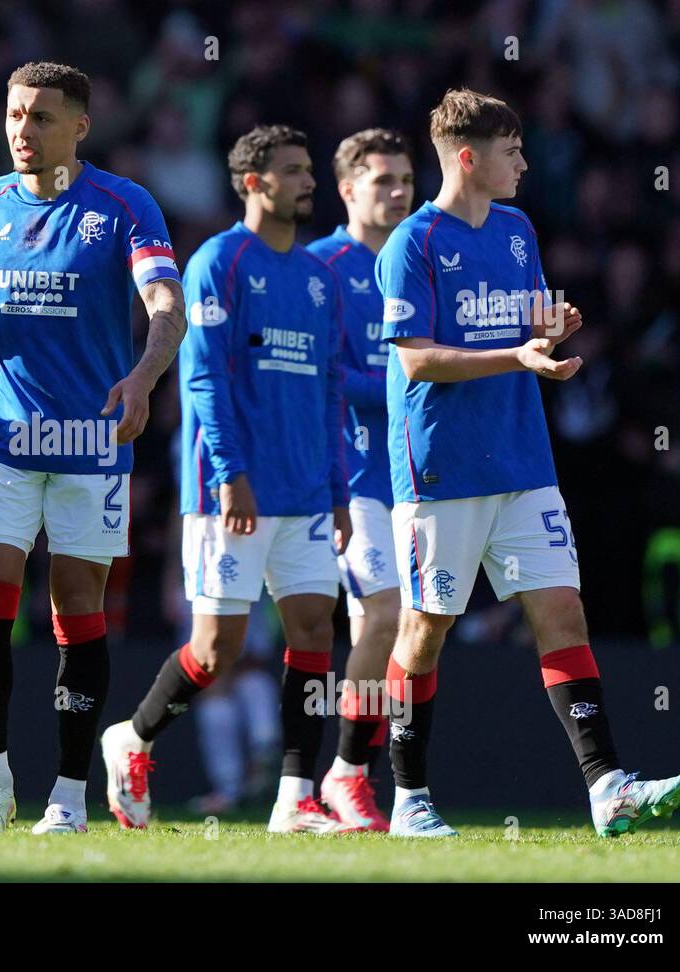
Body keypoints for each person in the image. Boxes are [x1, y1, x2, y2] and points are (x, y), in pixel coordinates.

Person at [375, 88, 680, 837]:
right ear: (468, 158)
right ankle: (409, 798)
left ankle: (606, 785)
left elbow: (516, 330)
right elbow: (417, 361)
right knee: (426, 630)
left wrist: (545, 331)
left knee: (561, 611)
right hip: (441, 469)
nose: (523, 162)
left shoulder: (517, 230)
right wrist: (516, 353)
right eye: (512, 151)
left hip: (521, 461)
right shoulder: (412, 244)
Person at [0, 61, 186, 835]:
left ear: (80, 127)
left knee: (77, 611)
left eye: (40, 117)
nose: (22, 131)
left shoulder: (124, 206)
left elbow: (167, 303)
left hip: (90, 439)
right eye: (14, 115)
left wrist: (141, 378)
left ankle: (68, 795)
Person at [100, 124, 355, 834]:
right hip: (229, 493)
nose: (309, 182)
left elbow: (330, 389)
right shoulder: (219, 262)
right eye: (294, 171)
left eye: (310, 170)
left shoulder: (317, 277)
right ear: (253, 182)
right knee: (218, 650)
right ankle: (134, 737)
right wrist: (233, 475)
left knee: (312, 632)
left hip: (305, 490)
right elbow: (203, 378)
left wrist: (337, 489)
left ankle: (294, 798)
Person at [305, 128, 415, 831]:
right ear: (347, 189)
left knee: (408, 626)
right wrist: (406, 374)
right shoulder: (318, 267)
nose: (400, 192)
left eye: (407, 179)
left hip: (417, 474)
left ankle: (369, 777)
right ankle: (345, 773)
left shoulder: (421, 258)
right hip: (350, 477)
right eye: (384, 181)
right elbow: (313, 373)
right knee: (384, 614)